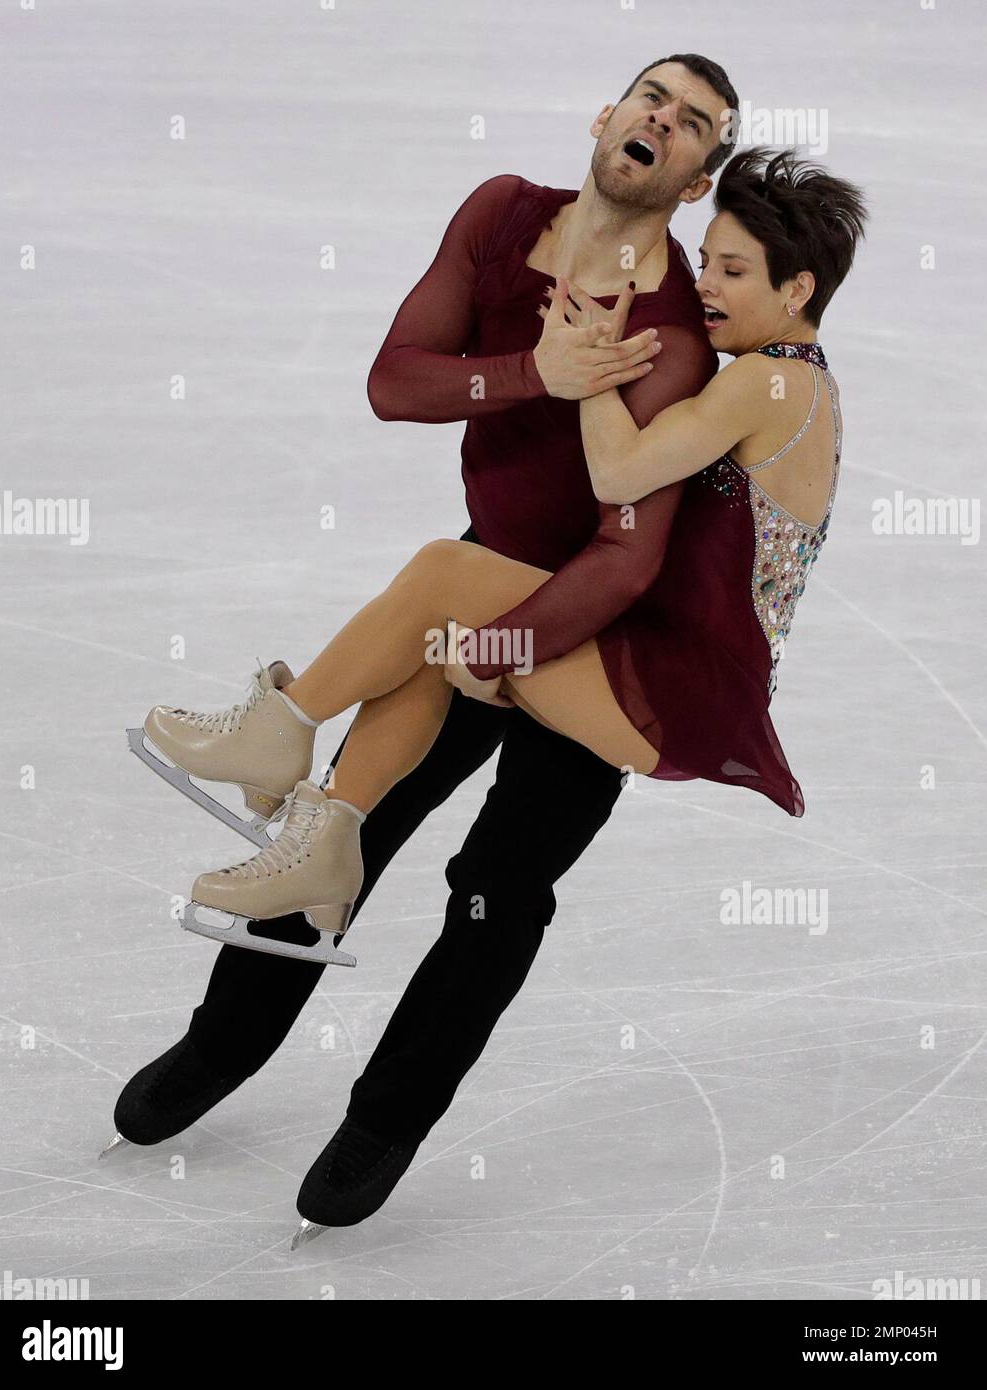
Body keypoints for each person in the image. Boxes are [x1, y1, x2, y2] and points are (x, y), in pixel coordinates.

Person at [108, 53, 745, 1236]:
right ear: (605, 118)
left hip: (599, 637)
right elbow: (394, 384)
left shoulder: (673, 340)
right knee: (341, 824)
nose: (664, 119)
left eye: (695, 121)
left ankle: (384, 1121)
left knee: (498, 891)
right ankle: (218, 1048)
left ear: (699, 176)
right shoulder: (502, 215)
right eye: (652, 97)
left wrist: (500, 645)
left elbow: (626, 556)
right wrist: (532, 374)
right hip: (472, 575)